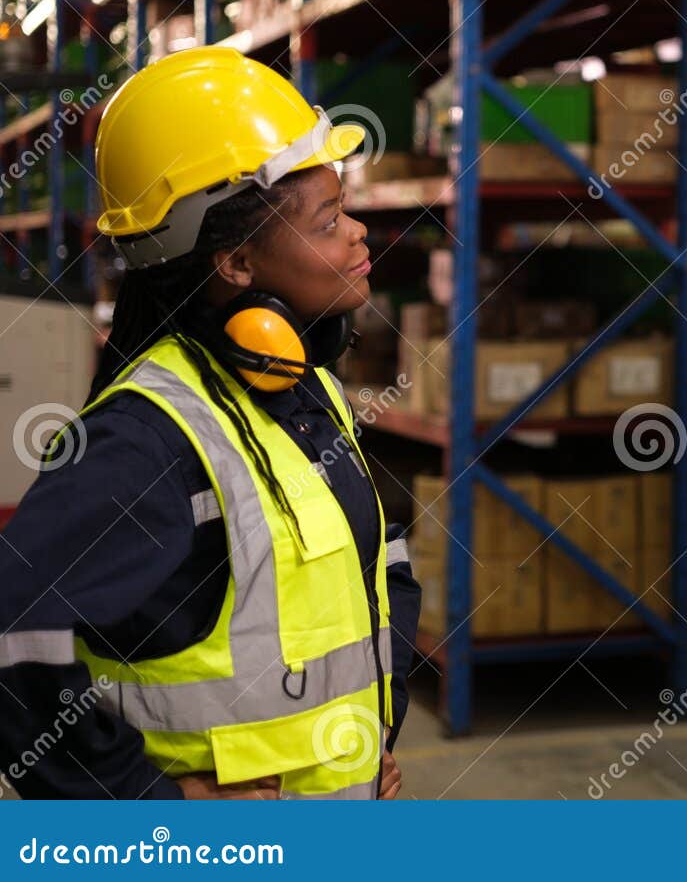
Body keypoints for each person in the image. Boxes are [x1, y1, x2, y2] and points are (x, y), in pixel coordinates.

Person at [0, 47, 420, 800]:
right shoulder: (148, 440)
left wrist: (372, 735)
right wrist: (147, 806)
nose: (358, 234)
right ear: (234, 264)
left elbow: (373, 571)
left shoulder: (304, 391)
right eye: (329, 221)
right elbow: (10, 630)